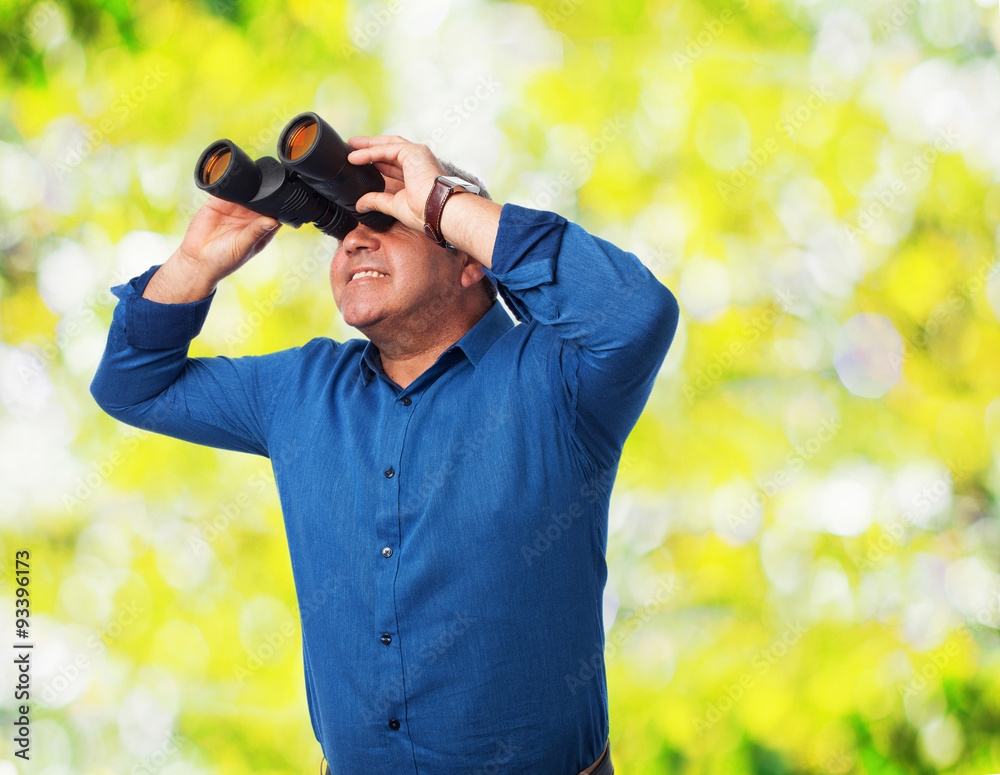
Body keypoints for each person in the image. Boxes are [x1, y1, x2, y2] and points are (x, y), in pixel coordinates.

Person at [90, 133, 679, 775]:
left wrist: (440, 201)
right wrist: (196, 263)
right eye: (342, 228)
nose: (354, 240)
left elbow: (636, 312)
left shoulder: (558, 377)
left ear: (470, 259)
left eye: (386, 220)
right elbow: (132, 385)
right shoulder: (300, 391)